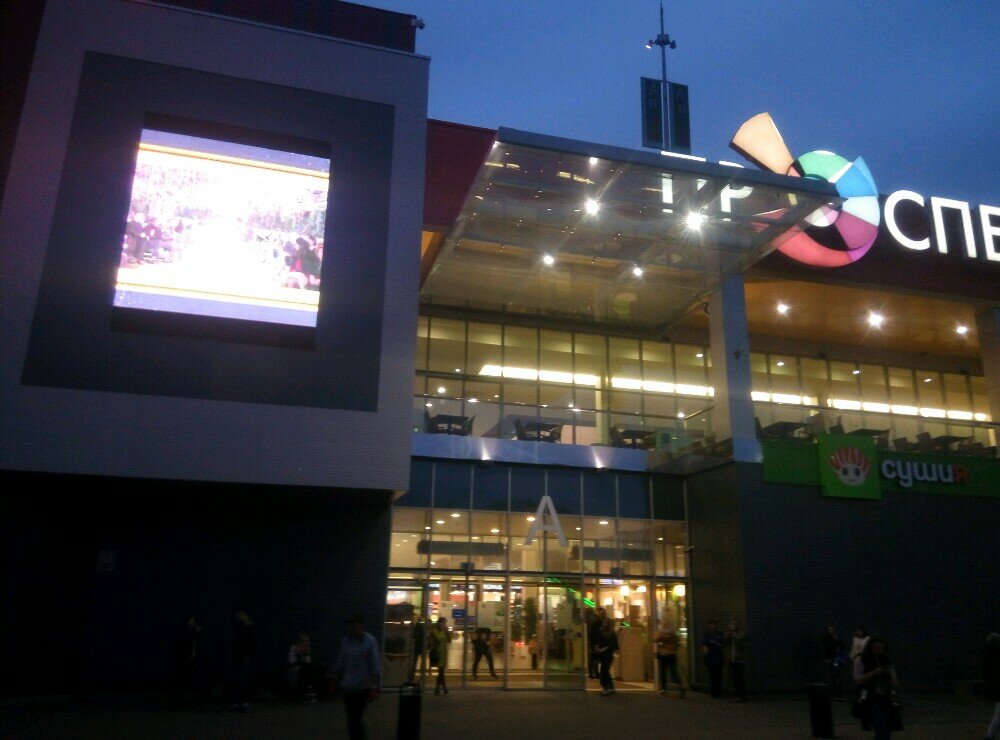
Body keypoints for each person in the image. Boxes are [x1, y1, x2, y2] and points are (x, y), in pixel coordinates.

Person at [332, 614, 380, 740]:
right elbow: (340, 663)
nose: (352, 627)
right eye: (350, 624)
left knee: (355, 717)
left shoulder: (370, 641)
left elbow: (374, 664)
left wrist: (374, 687)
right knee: (351, 717)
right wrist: (335, 682)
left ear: (361, 625)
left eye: (354, 624)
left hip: (362, 687)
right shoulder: (345, 641)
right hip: (348, 686)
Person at [853, 635, 900, 739]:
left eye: (881, 648)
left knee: (886, 727)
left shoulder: (886, 660)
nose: (879, 651)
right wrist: (874, 673)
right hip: (870, 697)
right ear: (870, 647)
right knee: (881, 727)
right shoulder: (861, 659)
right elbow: (857, 680)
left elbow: (895, 683)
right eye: (876, 648)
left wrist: (890, 673)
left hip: (886, 697)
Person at [170, 615, 202, 701]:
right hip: (182, 655)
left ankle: (189, 691)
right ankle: (180, 692)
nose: (192, 623)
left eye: (193, 621)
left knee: (190, 672)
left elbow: (195, 642)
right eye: (190, 621)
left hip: (189, 655)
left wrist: (193, 653)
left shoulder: (194, 631)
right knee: (181, 673)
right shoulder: (184, 631)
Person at [230, 608, 256, 711]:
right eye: (238, 615)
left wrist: (248, 655)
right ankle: (238, 701)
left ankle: (243, 701)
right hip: (238, 656)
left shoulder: (249, 628)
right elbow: (235, 642)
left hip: (244, 656)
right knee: (237, 679)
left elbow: (251, 643)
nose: (239, 617)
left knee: (243, 679)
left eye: (241, 615)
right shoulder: (238, 627)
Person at [288, 632, 325, 702]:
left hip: (306, 667)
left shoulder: (307, 650)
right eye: (303, 640)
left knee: (320, 667)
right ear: (299, 640)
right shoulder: (294, 648)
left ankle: (317, 693)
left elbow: (308, 662)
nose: (304, 642)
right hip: (296, 668)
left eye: (307, 640)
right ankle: (303, 693)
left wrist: (305, 652)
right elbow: (291, 661)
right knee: (306, 667)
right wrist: (299, 653)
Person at [654, 624, 686, 697]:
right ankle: (681, 686)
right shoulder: (674, 634)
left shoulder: (662, 633)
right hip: (672, 655)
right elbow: (678, 643)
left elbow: (656, 640)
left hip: (664, 655)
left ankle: (664, 689)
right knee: (674, 673)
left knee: (663, 672)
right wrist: (674, 649)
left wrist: (661, 645)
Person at [593, 616, 619, 696]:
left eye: (606, 622)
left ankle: (606, 687)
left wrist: (600, 648)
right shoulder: (607, 632)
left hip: (606, 653)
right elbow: (615, 644)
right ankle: (610, 687)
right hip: (604, 653)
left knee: (604, 670)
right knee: (605, 670)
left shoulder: (608, 633)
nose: (605, 624)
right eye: (604, 622)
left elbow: (614, 644)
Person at [725, 619, 748, 702]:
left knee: (739, 678)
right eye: (732, 624)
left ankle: (742, 695)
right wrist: (729, 633)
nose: (733, 626)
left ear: (738, 625)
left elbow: (740, 642)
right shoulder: (731, 634)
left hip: (740, 659)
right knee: (734, 678)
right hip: (732, 659)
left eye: (734, 624)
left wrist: (734, 634)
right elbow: (725, 642)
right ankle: (737, 694)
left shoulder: (741, 634)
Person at [428, 617, 452, 695]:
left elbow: (449, 640)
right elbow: (437, 639)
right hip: (437, 654)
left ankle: (437, 689)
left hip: (443, 654)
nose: (445, 625)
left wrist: (447, 633)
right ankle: (445, 689)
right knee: (441, 672)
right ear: (439, 623)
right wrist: (444, 632)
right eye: (443, 623)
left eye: (445, 623)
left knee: (441, 672)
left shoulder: (443, 631)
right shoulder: (434, 631)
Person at [822, 625, 846, 701]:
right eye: (830, 629)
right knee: (832, 678)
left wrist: (838, 640)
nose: (832, 631)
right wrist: (826, 658)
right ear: (827, 631)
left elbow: (842, 647)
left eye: (833, 629)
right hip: (830, 659)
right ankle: (834, 695)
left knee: (837, 677)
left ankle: (838, 694)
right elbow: (826, 649)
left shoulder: (836, 638)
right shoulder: (826, 639)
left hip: (836, 659)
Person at [702, 619, 724, 698]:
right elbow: (704, 645)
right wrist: (706, 655)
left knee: (718, 675)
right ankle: (714, 692)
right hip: (711, 657)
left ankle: (717, 691)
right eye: (711, 624)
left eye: (714, 624)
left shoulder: (719, 634)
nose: (712, 626)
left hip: (718, 657)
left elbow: (722, 643)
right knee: (712, 675)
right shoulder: (707, 634)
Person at [984, 632, 1000, 740]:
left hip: (996, 688)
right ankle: (989, 736)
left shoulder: (988, 654)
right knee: (998, 717)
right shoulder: (995, 655)